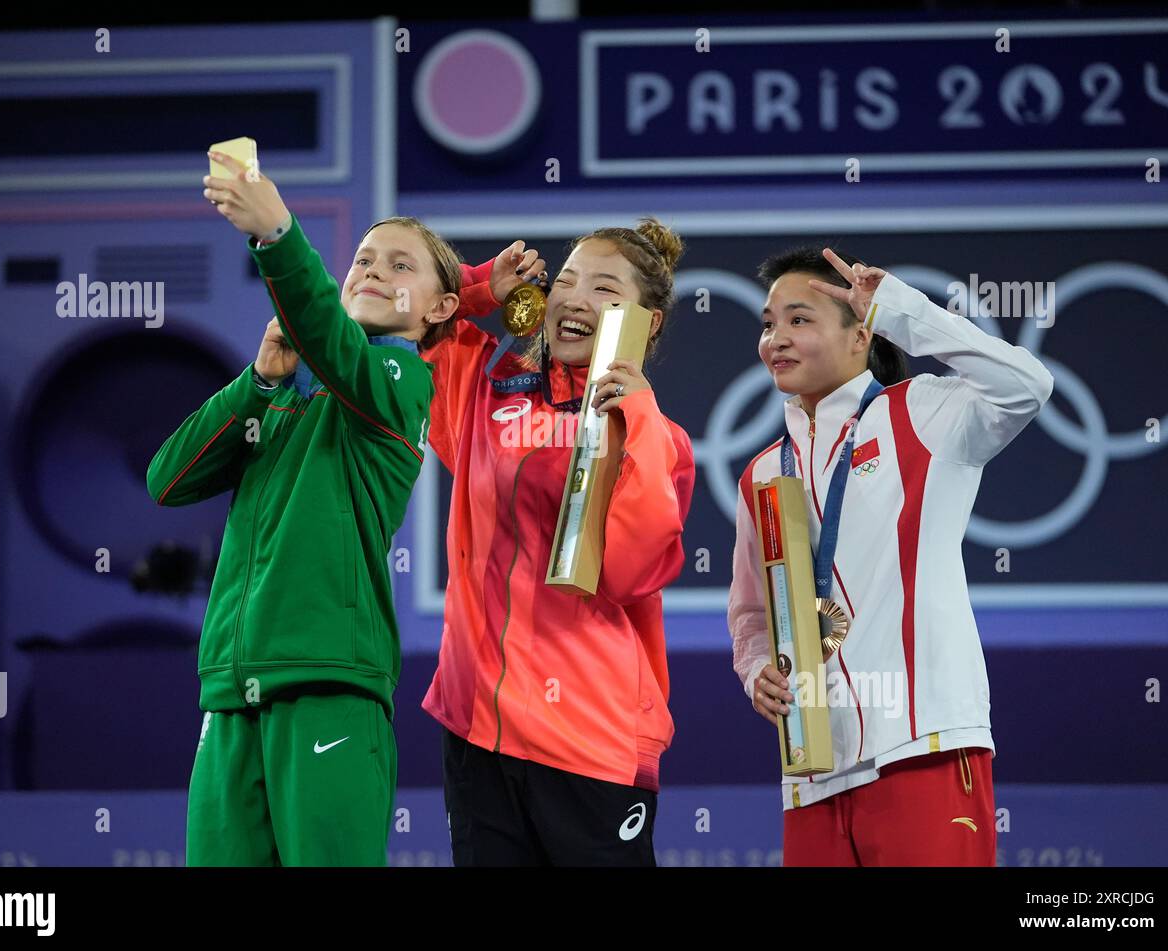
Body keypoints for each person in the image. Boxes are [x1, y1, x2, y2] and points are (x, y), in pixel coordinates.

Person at [148, 150, 516, 865]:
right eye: (364, 260)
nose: (373, 271)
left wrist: (276, 234)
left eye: (399, 265)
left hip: (330, 689)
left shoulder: (400, 381)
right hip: (230, 696)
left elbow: (335, 338)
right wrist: (257, 381)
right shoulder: (284, 392)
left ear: (439, 310)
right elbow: (168, 478)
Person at [728, 246, 1054, 866]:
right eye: (769, 323)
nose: (776, 338)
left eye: (800, 319)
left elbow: (1028, 384)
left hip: (922, 747)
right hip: (813, 767)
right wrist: (755, 671)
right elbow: (749, 615)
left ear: (861, 332)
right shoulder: (765, 474)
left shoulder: (923, 413)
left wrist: (903, 310)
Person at [420, 220, 696, 866]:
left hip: (591, 741)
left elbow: (628, 571)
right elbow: (406, 315)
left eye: (604, 288)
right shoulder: (485, 395)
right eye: (565, 280)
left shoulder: (662, 441)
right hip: (478, 735)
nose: (574, 298)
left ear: (646, 323)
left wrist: (641, 422)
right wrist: (484, 286)